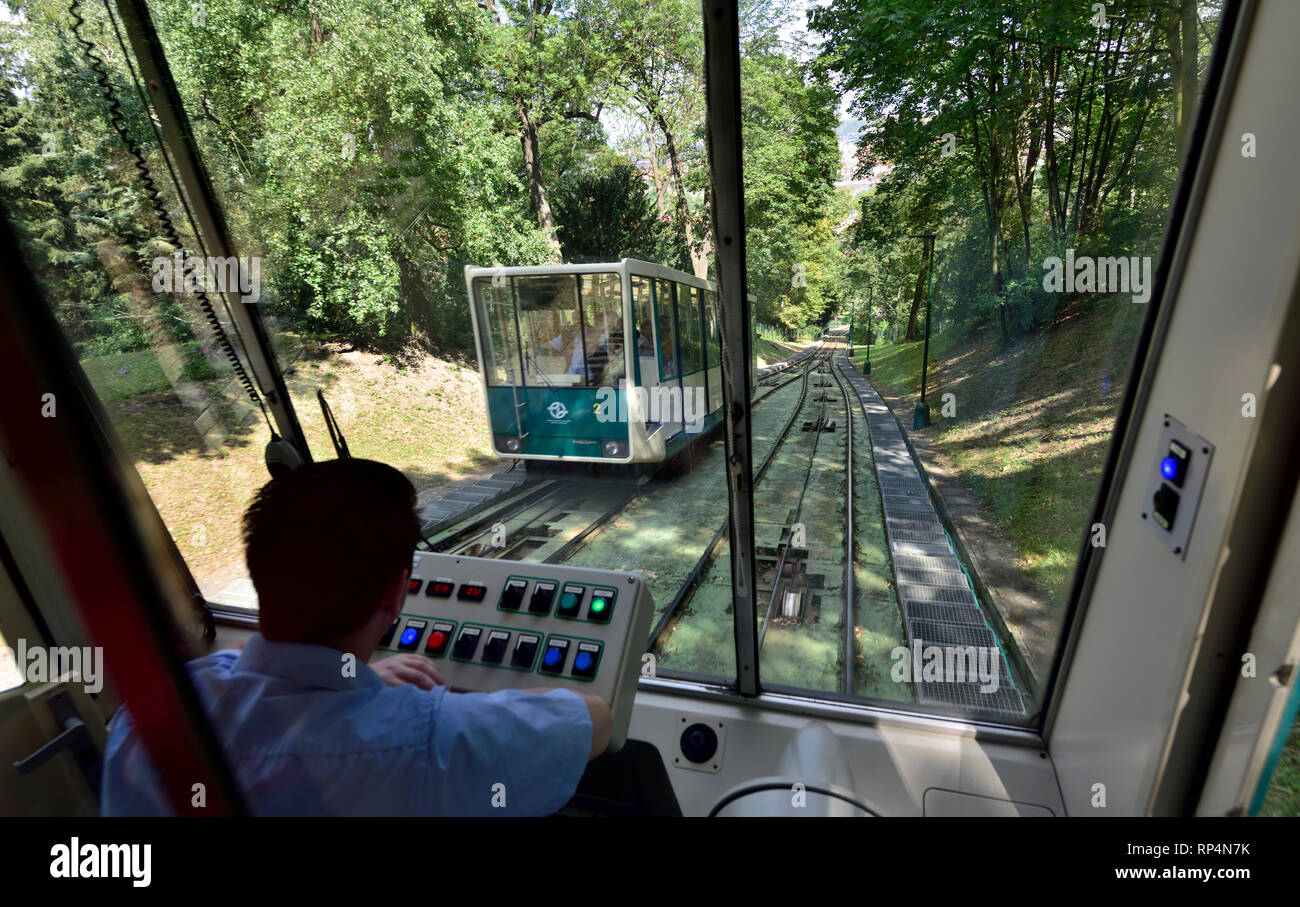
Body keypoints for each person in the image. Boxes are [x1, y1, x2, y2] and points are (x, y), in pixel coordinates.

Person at [101, 459, 612, 816]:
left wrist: (358, 679)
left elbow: (243, 672)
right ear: (396, 593)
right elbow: (595, 718)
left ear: (258, 573)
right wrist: (442, 705)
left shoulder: (148, 718)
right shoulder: (429, 742)